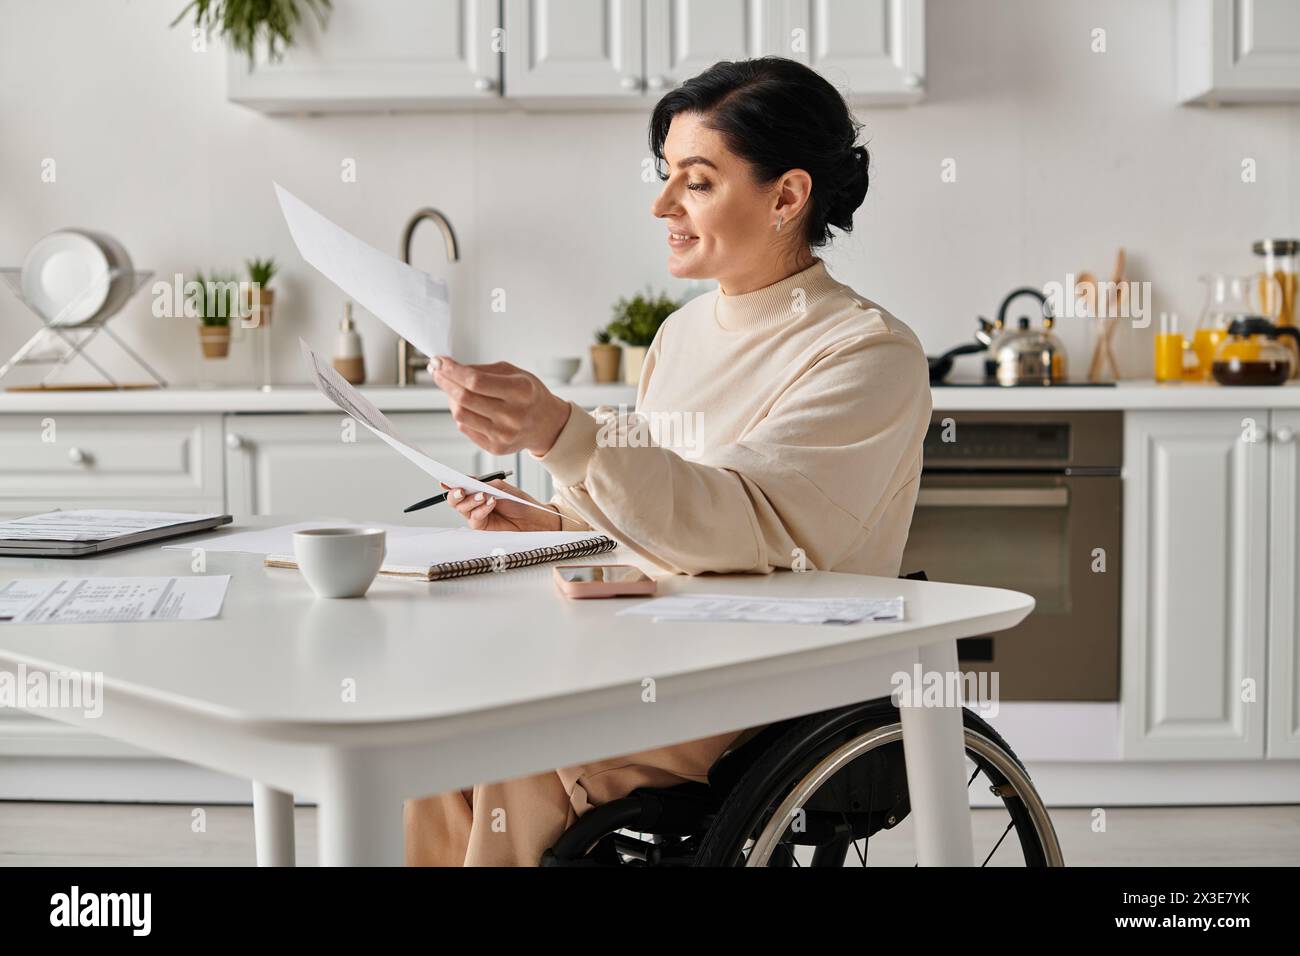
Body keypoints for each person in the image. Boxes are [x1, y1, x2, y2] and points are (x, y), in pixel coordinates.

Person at [404, 56, 932, 866]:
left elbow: (744, 526)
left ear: (787, 197)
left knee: (514, 753)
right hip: (651, 646)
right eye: (665, 177)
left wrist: (561, 432)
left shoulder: (867, 353)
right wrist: (546, 518)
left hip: (769, 683)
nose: (662, 206)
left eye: (697, 181)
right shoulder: (681, 336)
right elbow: (653, 523)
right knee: (438, 734)